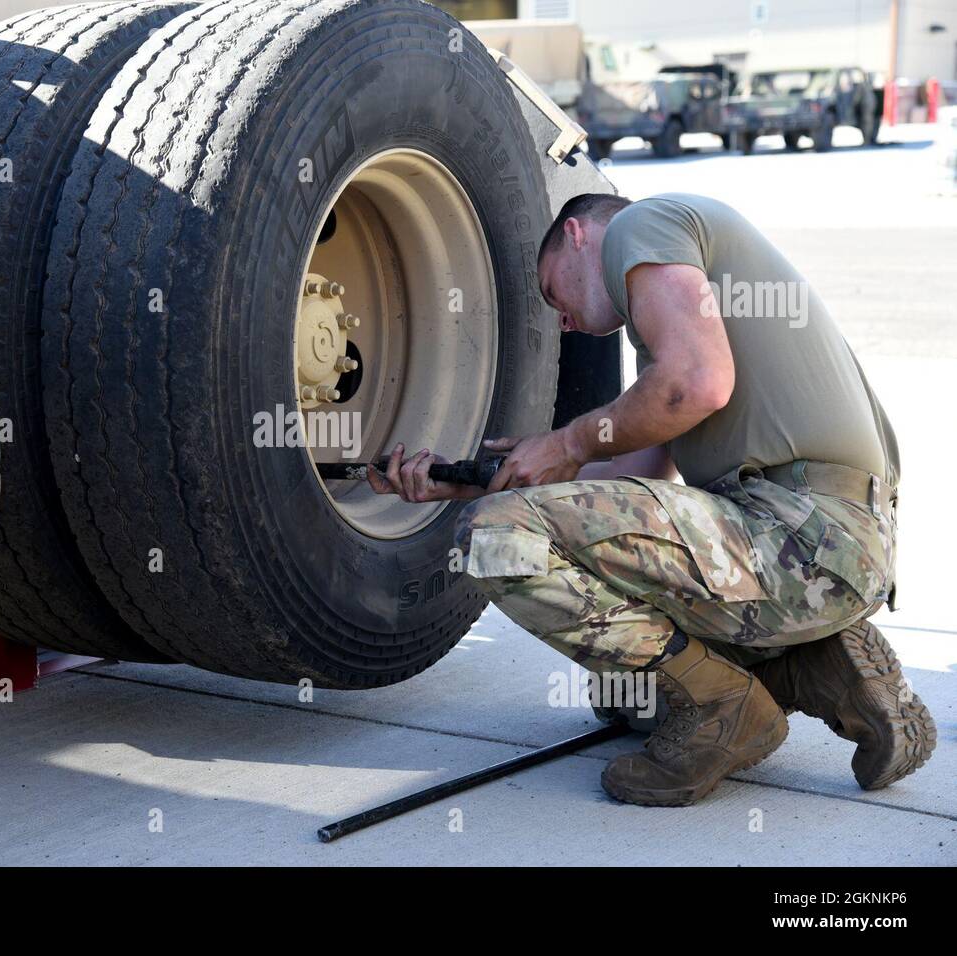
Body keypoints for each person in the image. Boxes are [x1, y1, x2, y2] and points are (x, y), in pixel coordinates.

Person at [368, 192, 935, 806]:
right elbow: (626, 493)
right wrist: (471, 482)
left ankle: (725, 705)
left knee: (495, 539)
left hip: (800, 534)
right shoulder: (670, 325)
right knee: (628, 699)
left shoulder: (642, 226)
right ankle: (819, 667)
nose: (559, 319)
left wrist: (565, 441)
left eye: (550, 290)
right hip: (828, 550)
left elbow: (698, 383)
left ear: (579, 235)